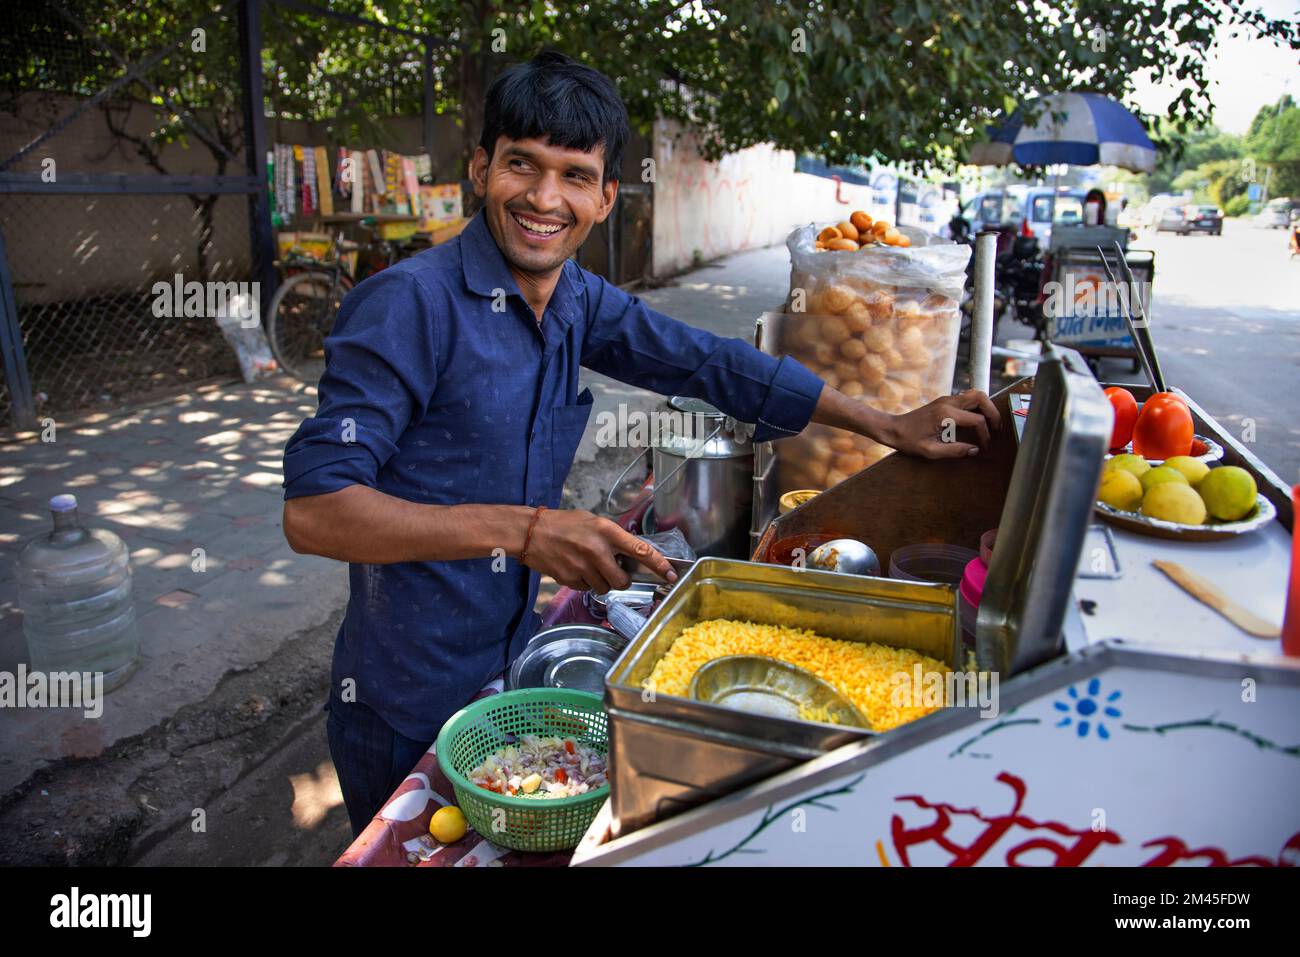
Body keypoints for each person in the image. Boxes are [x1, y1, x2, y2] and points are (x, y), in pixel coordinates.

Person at [280, 51, 1001, 836]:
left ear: (606, 196)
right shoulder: (406, 305)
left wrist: (885, 424)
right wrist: (524, 531)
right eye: (522, 164)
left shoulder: (576, 299)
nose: (544, 198)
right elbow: (317, 510)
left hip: (516, 670)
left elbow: (709, 362)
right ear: (482, 169)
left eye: (574, 175)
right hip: (404, 701)